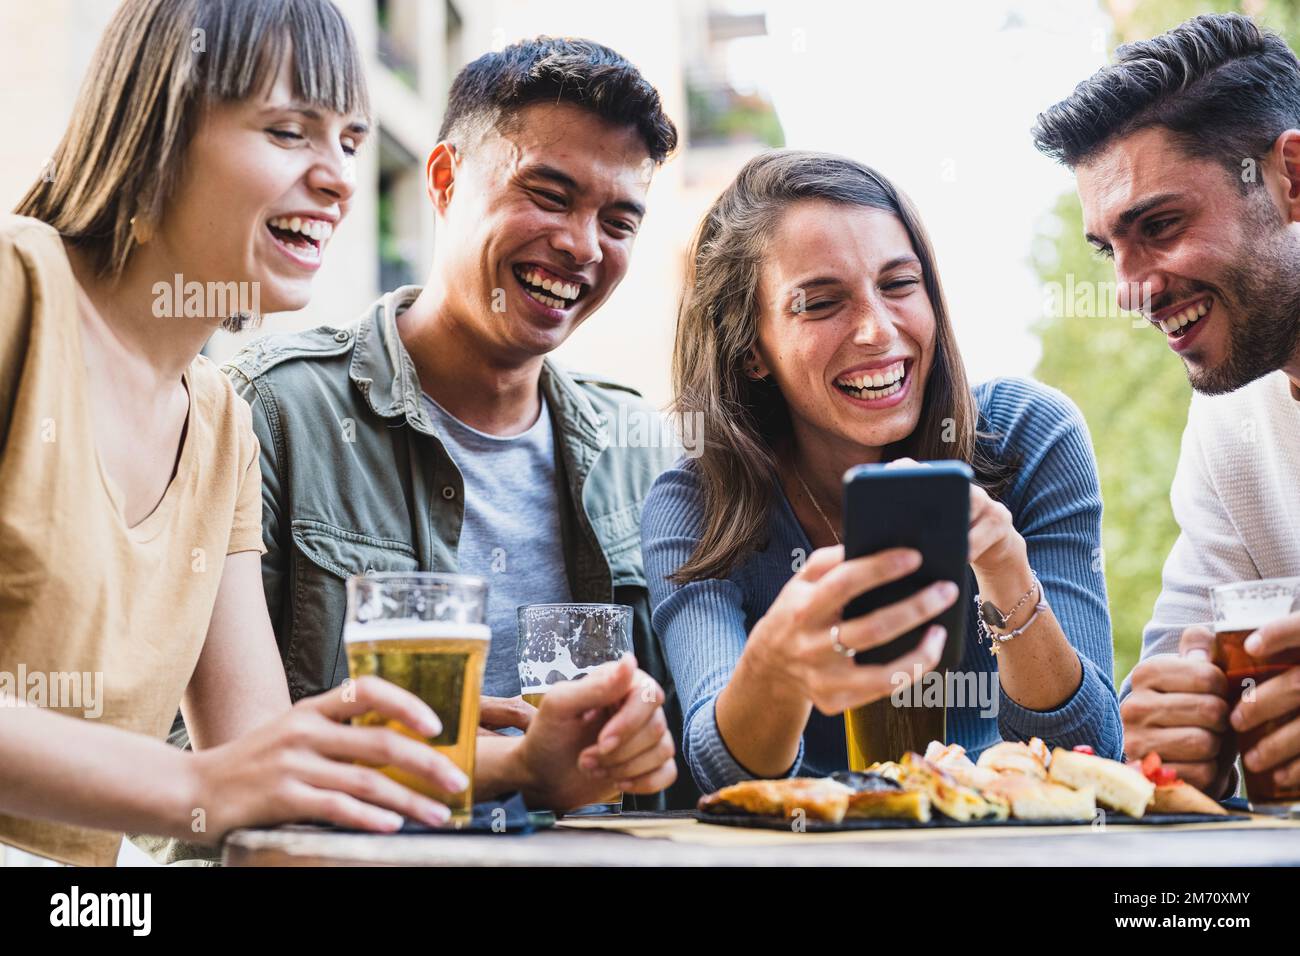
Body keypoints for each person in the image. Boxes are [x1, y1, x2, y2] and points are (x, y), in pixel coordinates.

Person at [0, 0, 667, 868]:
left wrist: (522, 769)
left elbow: (268, 778)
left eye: (350, 143)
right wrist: (202, 789)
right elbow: (218, 785)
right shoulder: (21, 293)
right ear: (159, 118)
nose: (341, 180)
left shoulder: (217, 425)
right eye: (288, 132)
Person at [641, 150, 1122, 795]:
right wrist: (777, 667)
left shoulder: (1028, 437)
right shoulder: (697, 502)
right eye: (819, 303)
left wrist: (1006, 575)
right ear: (751, 349)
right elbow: (721, 770)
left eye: (898, 285)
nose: (876, 330)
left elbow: (1090, 752)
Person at [1033, 12, 1300, 798]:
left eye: (1160, 225)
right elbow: (1172, 676)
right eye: (1110, 249)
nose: (1130, 289)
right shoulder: (1230, 426)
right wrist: (1171, 727)